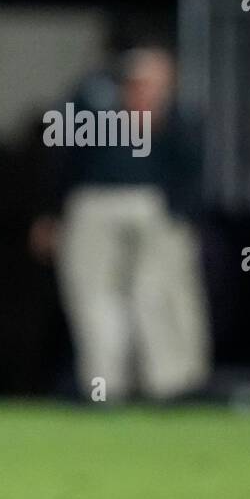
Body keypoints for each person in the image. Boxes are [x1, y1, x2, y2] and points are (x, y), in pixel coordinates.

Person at [51, 47, 209, 401]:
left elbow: (190, 169)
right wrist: (53, 212)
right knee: (97, 299)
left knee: (154, 294)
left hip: (151, 207)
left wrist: (184, 216)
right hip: (97, 204)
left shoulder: (177, 116)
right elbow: (64, 158)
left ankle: (168, 387)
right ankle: (107, 386)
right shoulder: (90, 103)